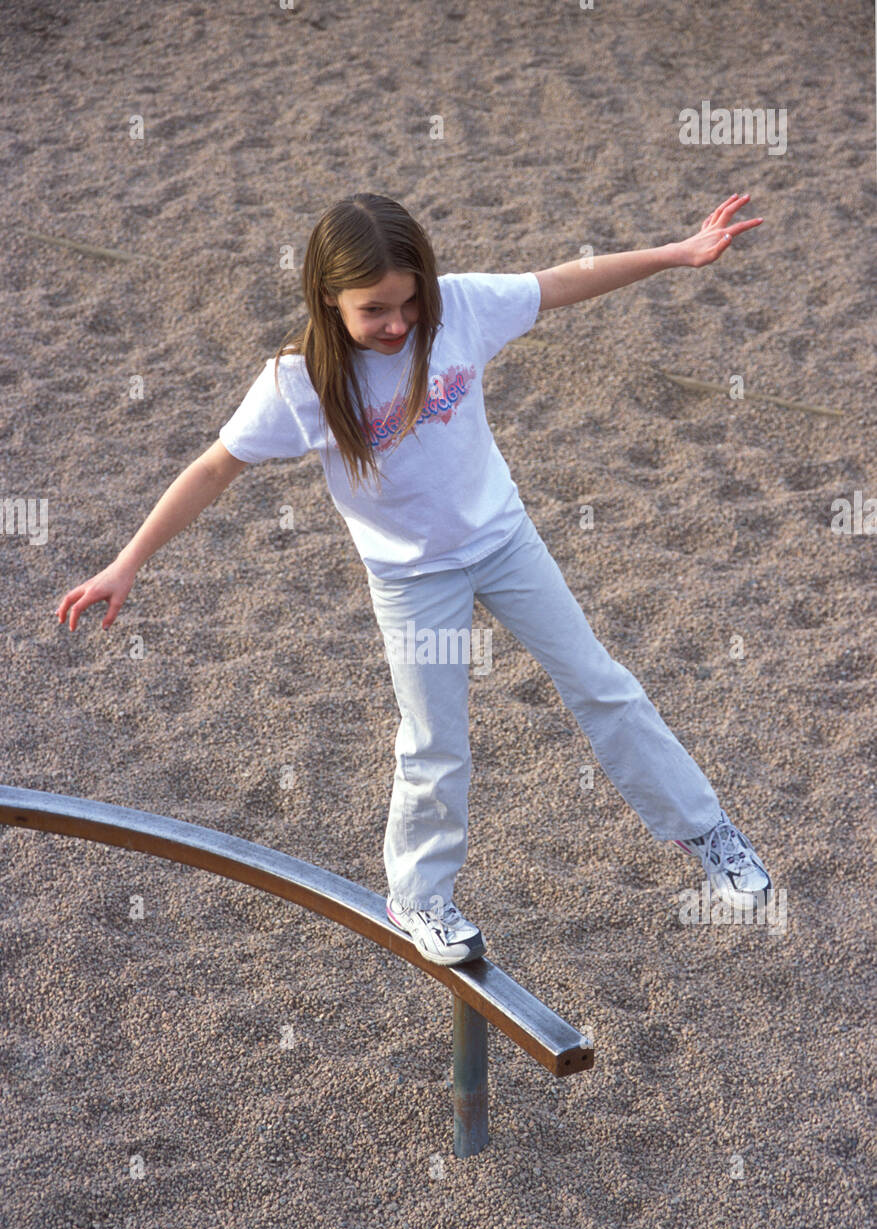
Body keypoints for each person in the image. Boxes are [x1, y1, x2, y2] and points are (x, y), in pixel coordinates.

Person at [56, 191, 771, 969]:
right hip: (411, 580)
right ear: (328, 300)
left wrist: (675, 252)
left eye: (408, 301)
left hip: (504, 542)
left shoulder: (459, 307)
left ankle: (706, 834)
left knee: (602, 684)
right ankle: (420, 898)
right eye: (374, 311)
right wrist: (128, 561)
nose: (397, 324)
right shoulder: (298, 383)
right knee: (435, 742)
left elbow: (564, 278)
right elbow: (213, 466)